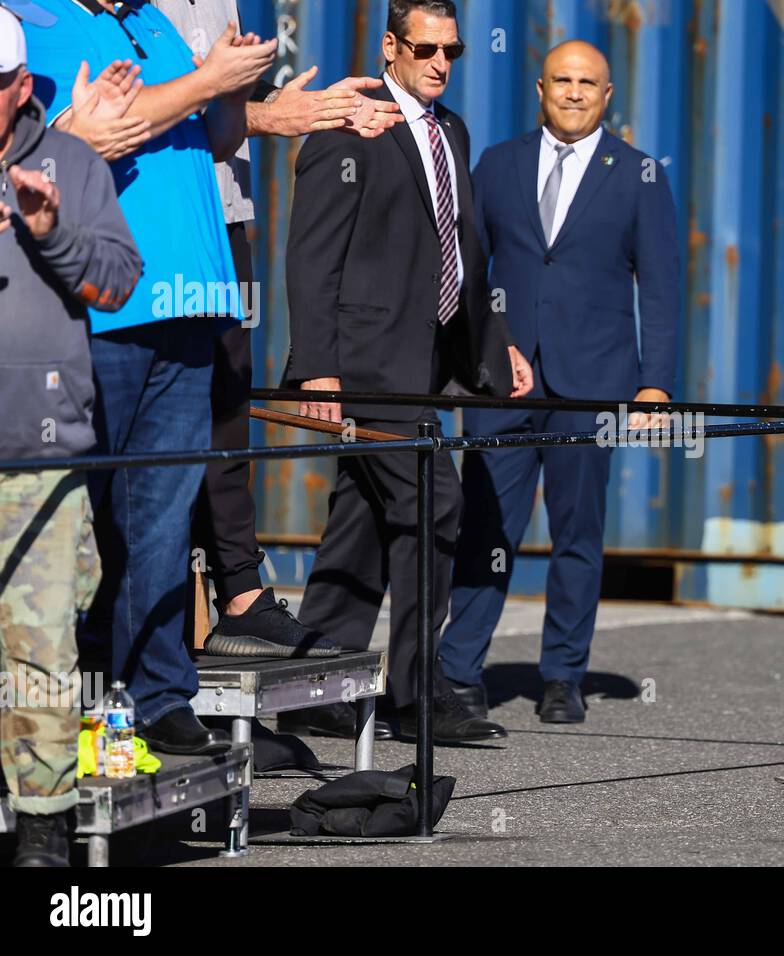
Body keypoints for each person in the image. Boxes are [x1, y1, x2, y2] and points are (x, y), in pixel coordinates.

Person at [23, 0, 278, 755]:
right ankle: (60, 695)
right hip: (105, 309)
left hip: (192, 299)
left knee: (162, 517)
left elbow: (219, 138)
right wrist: (207, 79)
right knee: (81, 516)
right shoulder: (40, 21)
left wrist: (228, 86)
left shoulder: (155, 23)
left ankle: (158, 693)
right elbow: (104, 130)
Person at [286, 0, 531, 742]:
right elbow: (311, 254)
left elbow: (465, 251)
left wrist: (499, 345)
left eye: (451, 51)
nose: (440, 63)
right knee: (435, 502)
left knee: (361, 519)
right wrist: (318, 369)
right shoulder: (350, 124)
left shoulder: (449, 129)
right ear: (390, 46)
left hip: (422, 365)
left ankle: (314, 681)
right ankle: (415, 693)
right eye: (425, 49)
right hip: (362, 367)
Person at [148, 0, 401, 669]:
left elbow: (233, 92)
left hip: (224, 218)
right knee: (163, 431)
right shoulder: (127, 10)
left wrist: (316, 108)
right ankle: (171, 640)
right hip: (158, 221)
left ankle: (239, 597)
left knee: (227, 420)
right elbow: (140, 105)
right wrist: (271, 117)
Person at [441, 40, 680, 724]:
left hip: (594, 382)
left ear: (609, 95)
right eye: (562, 80)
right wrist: (470, 361)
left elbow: (661, 290)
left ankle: (562, 676)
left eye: (588, 83)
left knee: (578, 531)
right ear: (539, 87)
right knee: (485, 524)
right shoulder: (498, 164)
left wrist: (654, 386)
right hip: (502, 383)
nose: (574, 93)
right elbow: (468, 270)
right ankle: (458, 673)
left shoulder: (639, 175)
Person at [0, 4, 140, 865]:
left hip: (37, 452)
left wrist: (48, 234)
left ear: (18, 88)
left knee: (40, 642)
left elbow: (118, 283)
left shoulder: (69, 163)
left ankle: (44, 830)